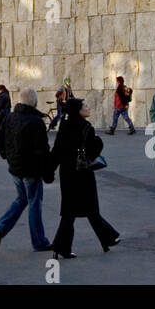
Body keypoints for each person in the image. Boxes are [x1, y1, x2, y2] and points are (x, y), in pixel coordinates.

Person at [48, 98, 119, 259]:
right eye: (85, 106)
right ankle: (107, 238)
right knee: (90, 209)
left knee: (70, 211)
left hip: (67, 174)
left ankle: (62, 247)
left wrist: (49, 171)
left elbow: (57, 150)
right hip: (83, 174)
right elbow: (95, 149)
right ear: (78, 110)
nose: (88, 107)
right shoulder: (85, 127)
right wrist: (98, 140)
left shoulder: (64, 126)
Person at [0, 88, 54, 252]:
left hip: (15, 169)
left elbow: (0, 141)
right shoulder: (36, 122)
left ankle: (0, 228)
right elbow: (43, 151)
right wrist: (48, 173)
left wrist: (8, 157)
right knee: (34, 202)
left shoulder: (10, 118)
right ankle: (39, 241)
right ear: (34, 102)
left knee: (22, 199)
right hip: (31, 170)